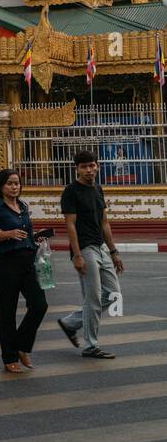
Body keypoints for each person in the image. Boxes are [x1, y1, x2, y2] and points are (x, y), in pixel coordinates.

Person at [57, 150, 125, 359]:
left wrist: (113, 252)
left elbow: (104, 222)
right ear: (77, 169)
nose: (89, 170)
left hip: (101, 248)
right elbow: (70, 225)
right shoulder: (71, 191)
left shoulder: (98, 189)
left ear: (97, 166)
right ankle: (91, 345)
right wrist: (77, 255)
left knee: (114, 295)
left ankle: (70, 323)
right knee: (93, 298)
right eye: (84, 166)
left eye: (92, 165)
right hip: (85, 249)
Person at [0, 169, 46, 373]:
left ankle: (21, 345)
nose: (14, 187)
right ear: (1, 186)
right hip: (6, 264)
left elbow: (26, 232)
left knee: (39, 305)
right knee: (7, 311)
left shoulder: (23, 206)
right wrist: (7, 234)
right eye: (10, 183)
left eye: (17, 183)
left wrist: (36, 239)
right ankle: (9, 357)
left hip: (28, 261)